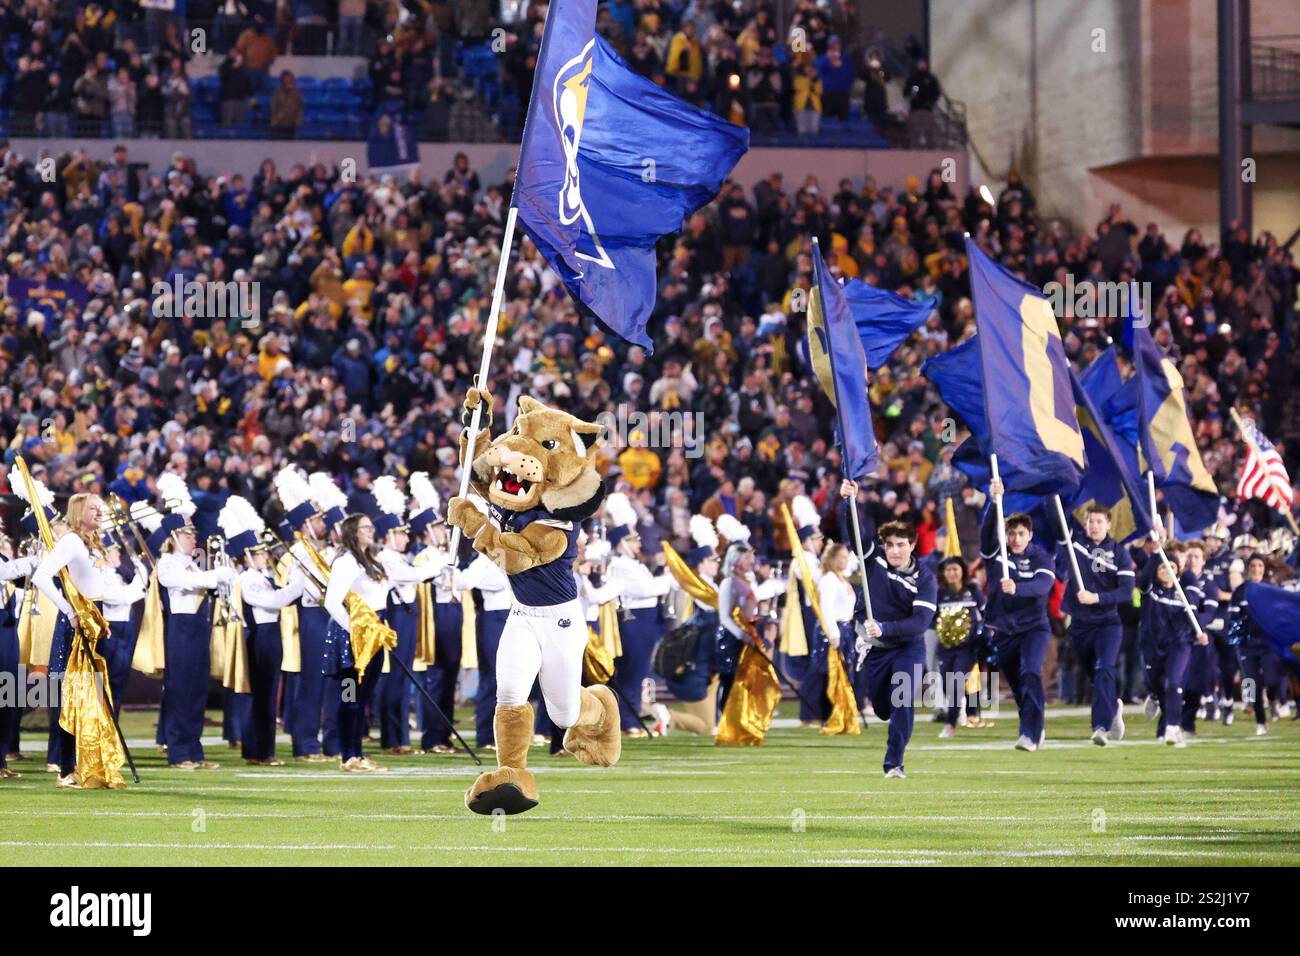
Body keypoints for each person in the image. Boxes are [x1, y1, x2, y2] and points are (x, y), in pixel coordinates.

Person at [841, 479, 937, 778]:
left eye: (901, 545)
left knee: (903, 698)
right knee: (883, 708)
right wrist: (849, 502)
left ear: (912, 545)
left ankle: (894, 762)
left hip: (908, 647)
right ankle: (891, 734)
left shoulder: (926, 578)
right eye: (890, 545)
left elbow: (920, 623)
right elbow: (857, 531)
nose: (895, 550)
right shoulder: (875, 562)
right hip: (877, 650)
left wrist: (884, 628)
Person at [31, 493, 118, 788]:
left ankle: (89, 763)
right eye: (93, 508)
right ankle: (64, 765)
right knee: (69, 695)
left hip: (94, 620)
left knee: (92, 695)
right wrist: (70, 611)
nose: (100, 513)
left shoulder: (93, 542)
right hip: (76, 625)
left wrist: (100, 620)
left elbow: (96, 588)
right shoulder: (70, 541)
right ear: (78, 511)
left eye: (100, 508)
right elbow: (42, 576)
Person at [151, 499, 237, 771]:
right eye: (188, 535)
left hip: (199, 629)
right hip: (181, 629)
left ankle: (194, 750)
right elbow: (179, 582)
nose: (193, 538)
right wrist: (215, 577)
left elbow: (203, 584)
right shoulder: (167, 563)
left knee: (198, 690)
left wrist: (220, 579)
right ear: (174, 538)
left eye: (193, 534)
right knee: (180, 691)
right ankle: (178, 752)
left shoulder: (191, 563)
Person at [980, 477, 1056, 752]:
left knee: (1030, 673)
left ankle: (1029, 734)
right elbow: (986, 532)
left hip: (1034, 628)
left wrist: (1017, 588)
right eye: (1010, 533)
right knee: (1017, 683)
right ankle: (1034, 725)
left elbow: (1043, 585)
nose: (1014, 538)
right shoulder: (996, 555)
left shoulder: (1042, 558)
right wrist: (992, 500)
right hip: (1004, 630)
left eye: (1020, 534)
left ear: (1030, 535)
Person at [1050, 503, 1134, 746]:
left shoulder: (1119, 553)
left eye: (1099, 521)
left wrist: (1096, 598)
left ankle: (1100, 726)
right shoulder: (1074, 544)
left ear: (1108, 524)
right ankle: (1113, 707)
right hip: (1079, 624)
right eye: (1090, 521)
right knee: (1096, 677)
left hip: (1108, 623)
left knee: (1104, 668)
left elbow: (1126, 591)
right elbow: (1056, 524)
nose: (1094, 526)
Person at [226, 507, 302, 766]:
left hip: (269, 635)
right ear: (248, 556)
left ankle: (263, 750)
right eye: (260, 553)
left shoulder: (261, 577)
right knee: (260, 695)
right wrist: (297, 585)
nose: (266, 555)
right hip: (261, 638)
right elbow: (274, 601)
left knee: (267, 695)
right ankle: (257, 750)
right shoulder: (249, 580)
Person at [322, 513, 393, 773]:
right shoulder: (346, 562)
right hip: (352, 640)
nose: (371, 530)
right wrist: (355, 631)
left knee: (362, 698)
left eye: (371, 526)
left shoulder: (369, 560)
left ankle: (358, 754)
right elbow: (332, 601)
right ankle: (348, 755)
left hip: (374, 633)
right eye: (366, 527)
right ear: (353, 532)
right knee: (349, 695)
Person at [604, 509, 673, 735]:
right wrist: (668, 579)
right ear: (622, 543)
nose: (637, 544)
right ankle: (628, 721)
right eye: (633, 541)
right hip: (636, 620)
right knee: (632, 672)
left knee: (638, 672)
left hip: (646, 618)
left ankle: (628, 718)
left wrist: (663, 574)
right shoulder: (621, 565)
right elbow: (645, 589)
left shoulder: (635, 565)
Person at [1138, 535, 1208, 747]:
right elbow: (1143, 581)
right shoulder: (1151, 591)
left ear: (1178, 571)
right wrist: (1155, 554)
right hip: (1152, 646)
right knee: (1157, 686)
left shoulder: (1184, 594)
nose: (1166, 571)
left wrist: (1200, 633)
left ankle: (1172, 726)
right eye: (1162, 568)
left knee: (1174, 683)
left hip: (1179, 644)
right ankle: (1161, 705)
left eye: (1171, 568)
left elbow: (1193, 619)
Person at [459, 543, 512, 749]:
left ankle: (500, 734)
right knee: (491, 678)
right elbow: (465, 582)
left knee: (505, 679)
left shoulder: (498, 556)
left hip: (506, 615)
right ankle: (485, 735)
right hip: (491, 617)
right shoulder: (481, 561)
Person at [802, 543, 856, 725]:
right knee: (827, 673)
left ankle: (841, 711)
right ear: (832, 559)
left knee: (843, 673)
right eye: (841, 556)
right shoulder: (829, 579)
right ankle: (824, 715)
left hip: (845, 628)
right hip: (832, 630)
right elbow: (825, 608)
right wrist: (833, 633)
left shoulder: (842, 578)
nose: (845, 560)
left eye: (846, 556)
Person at [933, 556, 986, 737]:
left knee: (956, 683)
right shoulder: (939, 594)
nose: (952, 573)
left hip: (967, 649)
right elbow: (931, 618)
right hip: (945, 648)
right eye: (948, 570)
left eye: (955, 569)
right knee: (949, 687)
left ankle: (950, 725)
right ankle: (959, 708)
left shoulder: (972, 591)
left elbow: (986, 612)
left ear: (962, 571)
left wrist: (984, 634)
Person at [97, 535, 148, 719]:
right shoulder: (101, 574)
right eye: (114, 550)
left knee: (119, 682)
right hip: (111, 629)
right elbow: (121, 598)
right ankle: (104, 726)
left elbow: (140, 582)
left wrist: (138, 564)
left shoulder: (118, 574)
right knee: (107, 682)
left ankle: (113, 726)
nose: (118, 553)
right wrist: (138, 588)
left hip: (124, 627)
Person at [0, 546, 39, 780]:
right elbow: (5, 572)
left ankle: (1, 759)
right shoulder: (5, 565)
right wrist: (34, 559)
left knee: (8, 695)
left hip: (7, 625)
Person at [1227, 553, 1276, 736]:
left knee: (1272, 680)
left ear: (1264, 569)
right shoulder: (1240, 591)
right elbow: (1234, 619)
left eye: (1260, 566)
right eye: (1253, 566)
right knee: (1252, 683)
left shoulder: (1271, 590)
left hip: (1268, 644)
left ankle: (1273, 699)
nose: (1256, 569)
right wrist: (1237, 645)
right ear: (1248, 569)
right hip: (1247, 645)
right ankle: (1261, 721)